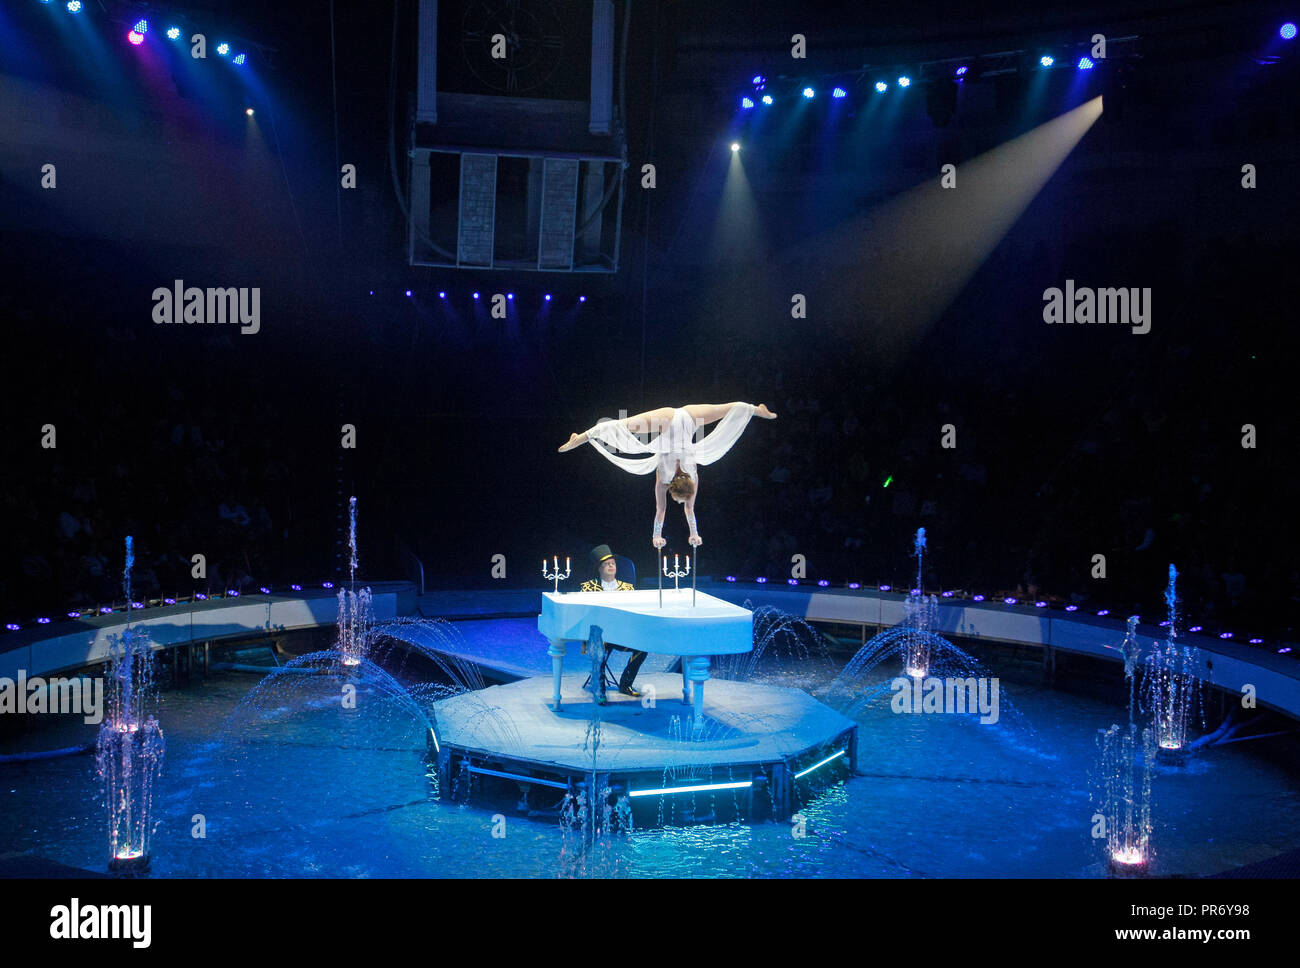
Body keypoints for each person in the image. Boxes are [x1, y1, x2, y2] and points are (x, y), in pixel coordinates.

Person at [558, 403, 777, 549]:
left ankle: (756, 410)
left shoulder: (692, 477)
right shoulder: (663, 480)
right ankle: (583, 437)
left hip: (686, 416)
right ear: (672, 489)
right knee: (624, 426)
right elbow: (663, 510)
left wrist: (691, 533)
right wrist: (668, 535)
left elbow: (687, 508)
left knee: (727, 408)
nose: (679, 503)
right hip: (673, 421)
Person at [579, 544, 647, 699]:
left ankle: (625, 684)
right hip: (598, 635)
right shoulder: (587, 588)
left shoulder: (628, 588)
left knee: (643, 646)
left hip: (621, 634)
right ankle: (599, 689)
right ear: (599, 568)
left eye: (613, 563)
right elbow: (585, 613)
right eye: (606, 564)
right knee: (599, 645)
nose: (610, 566)